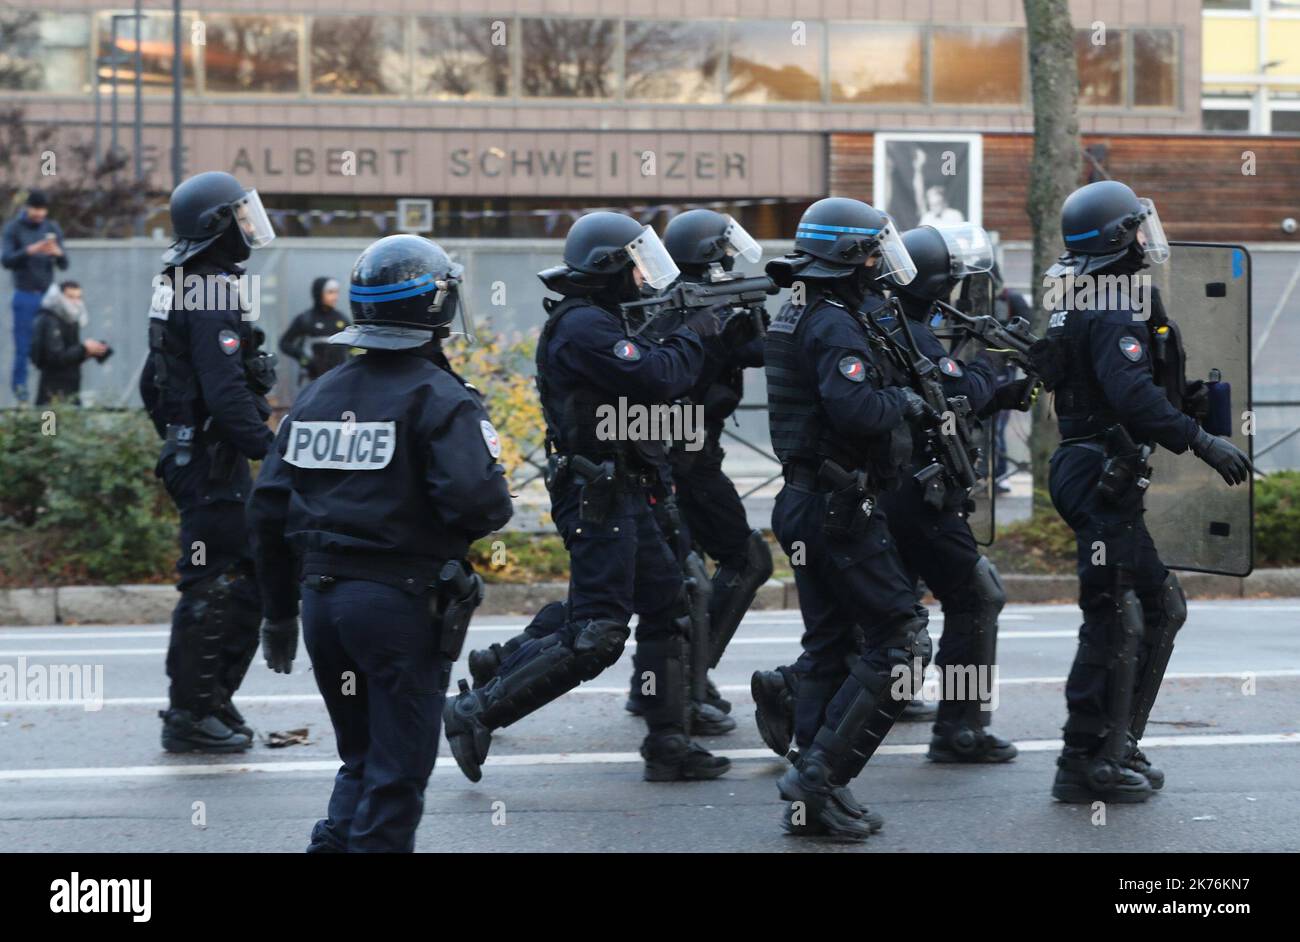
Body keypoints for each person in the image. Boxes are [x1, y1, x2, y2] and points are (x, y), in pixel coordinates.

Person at [443, 211, 732, 784]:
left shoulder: (605, 317)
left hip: (627, 485)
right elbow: (658, 376)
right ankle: (478, 710)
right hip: (597, 493)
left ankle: (669, 744)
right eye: (634, 263)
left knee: (668, 607)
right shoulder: (582, 328)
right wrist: (694, 328)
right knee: (597, 632)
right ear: (607, 269)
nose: (644, 274)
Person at [248, 234, 513, 853]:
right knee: (396, 778)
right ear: (434, 308)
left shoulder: (317, 395)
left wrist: (279, 614)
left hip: (321, 605)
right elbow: (482, 505)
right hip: (399, 605)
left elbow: (266, 510)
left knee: (362, 760)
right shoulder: (441, 398)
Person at [1033, 180, 1253, 803]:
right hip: (1098, 473)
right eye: (1135, 227)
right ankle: (1084, 760)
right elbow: (1128, 395)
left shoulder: (1092, 294)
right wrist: (1200, 440)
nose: (1145, 238)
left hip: (1102, 470)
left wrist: (1186, 402)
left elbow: (1123, 387)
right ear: (1113, 238)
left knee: (1157, 607)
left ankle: (1113, 744)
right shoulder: (1110, 304)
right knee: (1117, 615)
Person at [755, 197, 936, 840]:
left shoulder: (804, 308)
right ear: (844, 256)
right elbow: (857, 409)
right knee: (902, 641)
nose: (876, 263)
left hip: (811, 500)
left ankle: (815, 793)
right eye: (868, 251)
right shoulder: (830, 321)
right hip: (836, 505)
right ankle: (817, 779)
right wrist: (908, 399)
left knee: (829, 645)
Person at [139, 171, 279, 754]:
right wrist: (271, 453)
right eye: (241, 216)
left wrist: (178, 437)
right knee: (219, 581)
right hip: (213, 459)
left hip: (198, 452)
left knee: (242, 575)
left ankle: (210, 701)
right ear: (217, 225)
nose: (250, 226)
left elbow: (155, 382)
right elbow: (225, 393)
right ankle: (193, 713)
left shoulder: (183, 279)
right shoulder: (214, 286)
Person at [622, 208, 774, 733]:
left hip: (690, 460)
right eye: (725, 258)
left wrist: (761, 302)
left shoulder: (707, 305)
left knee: (688, 579)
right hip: (678, 464)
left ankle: (673, 679)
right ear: (711, 259)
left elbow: (759, 350)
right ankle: (679, 682)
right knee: (701, 577)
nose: (731, 266)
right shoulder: (676, 310)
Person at [3, 190, 69, 403]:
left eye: (43, 210)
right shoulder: (14, 228)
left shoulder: (52, 228)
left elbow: (64, 264)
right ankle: (20, 392)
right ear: (27, 208)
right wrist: (31, 250)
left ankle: (50, 393)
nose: (40, 214)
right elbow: (6, 260)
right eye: (36, 210)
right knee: (23, 347)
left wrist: (58, 253)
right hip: (25, 295)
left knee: (52, 347)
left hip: (49, 297)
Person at [30, 281, 110, 405]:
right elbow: (56, 357)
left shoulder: (71, 319)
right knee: (49, 423)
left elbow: (69, 355)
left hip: (71, 389)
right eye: (70, 297)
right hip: (52, 392)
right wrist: (84, 349)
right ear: (59, 297)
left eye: (78, 297)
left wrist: (90, 351)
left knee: (70, 421)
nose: (75, 302)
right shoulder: (50, 320)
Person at [279, 277, 351, 387]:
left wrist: (352, 364)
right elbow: (284, 343)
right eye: (330, 292)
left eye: (337, 292)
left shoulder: (342, 319)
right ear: (318, 293)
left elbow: (354, 347)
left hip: (339, 381)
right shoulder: (305, 319)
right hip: (312, 380)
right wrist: (304, 359)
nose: (335, 297)